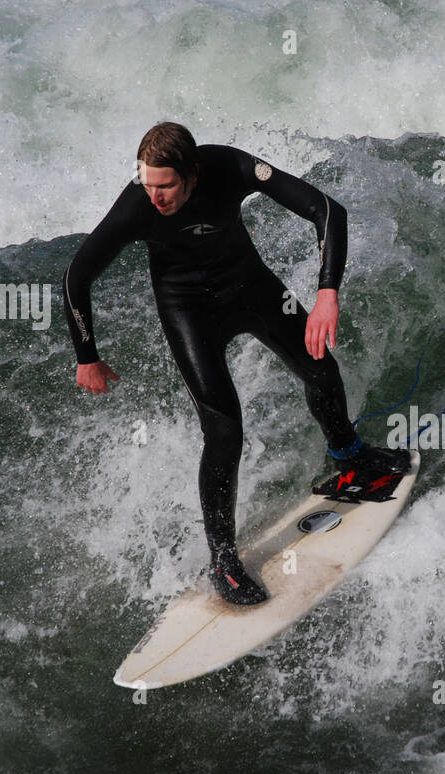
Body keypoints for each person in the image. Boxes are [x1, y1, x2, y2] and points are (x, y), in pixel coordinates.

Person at [63, 121, 409, 605]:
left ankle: (349, 458)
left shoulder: (230, 167)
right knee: (225, 431)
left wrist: (327, 291)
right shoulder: (137, 205)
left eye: (165, 186)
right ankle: (223, 560)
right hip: (187, 311)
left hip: (250, 289)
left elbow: (327, 211)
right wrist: (88, 357)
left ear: (193, 174)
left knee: (320, 367)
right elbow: (77, 275)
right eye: (147, 183)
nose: (155, 197)